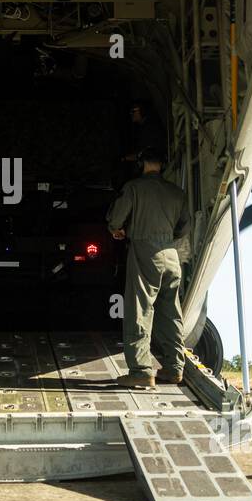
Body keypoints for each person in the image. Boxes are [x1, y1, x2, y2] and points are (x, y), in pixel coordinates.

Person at [106, 146, 190, 390]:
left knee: (139, 309)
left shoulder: (134, 188)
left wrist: (116, 230)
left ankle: (141, 371)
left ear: (142, 163)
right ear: (163, 165)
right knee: (171, 311)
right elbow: (184, 226)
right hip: (171, 255)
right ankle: (175, 368)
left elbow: (116, 219)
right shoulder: (177, 192)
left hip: (146, 252)